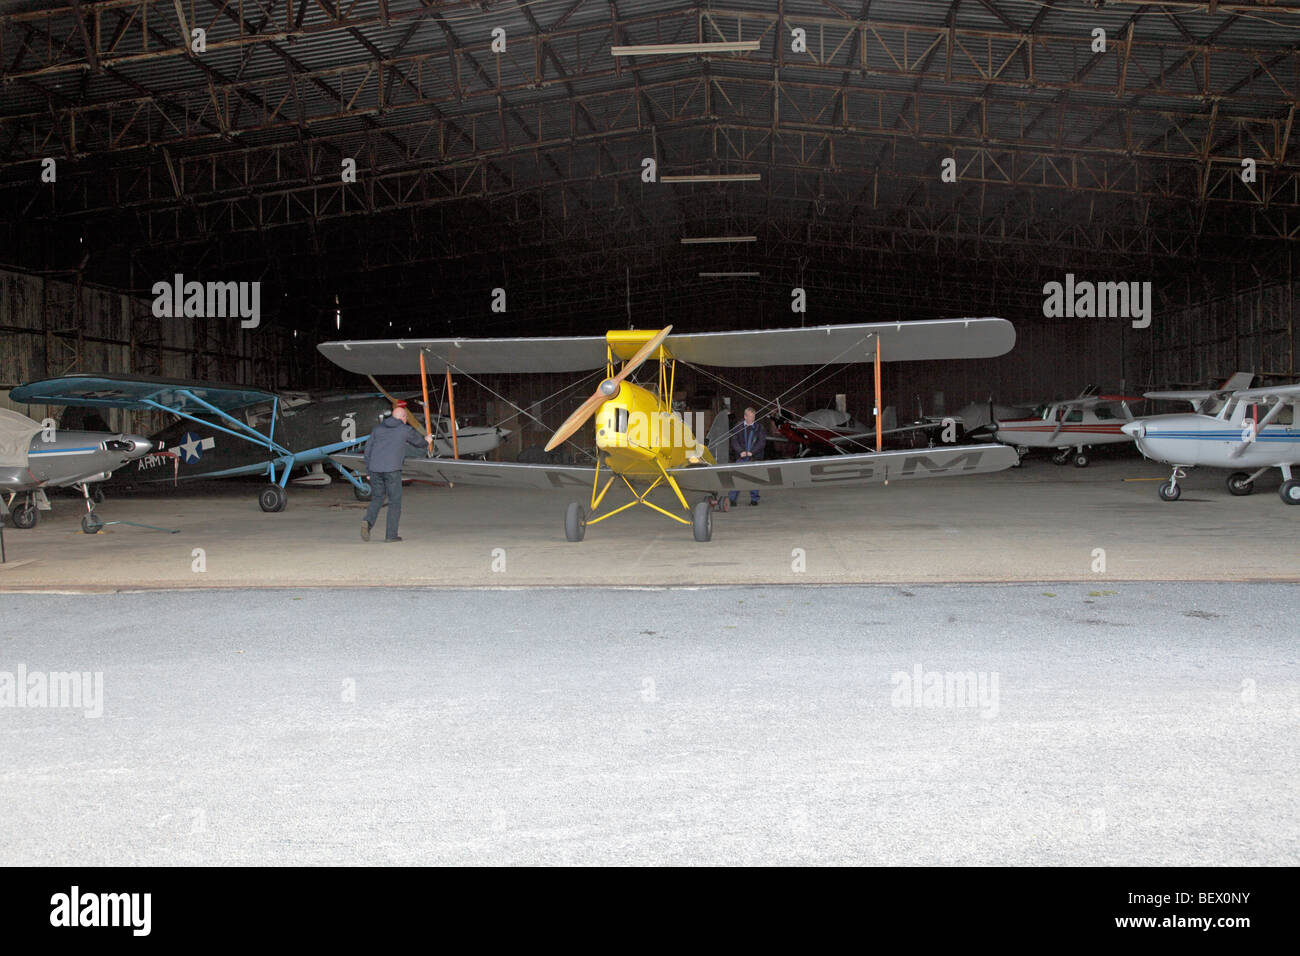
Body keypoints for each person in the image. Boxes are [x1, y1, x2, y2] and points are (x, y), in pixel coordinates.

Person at [361, 404, 432, 542]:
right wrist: (427, 440)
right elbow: (419, 443)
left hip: (375, 469)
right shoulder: (404, 429)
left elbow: (368, 451)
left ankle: (368, 521)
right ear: (403, 417)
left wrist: (368, 470)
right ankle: (391, 535)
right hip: (392, 470)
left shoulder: (377, 429)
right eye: (406, 418)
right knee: (395, 502)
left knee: (377, 498)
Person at [729, 406, 764, 507]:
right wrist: (740, 451)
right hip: (741, 457)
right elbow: (734, 441)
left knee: (754, 478)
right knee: (736, 477)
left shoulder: (759, 427)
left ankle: (754, 499)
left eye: (753, 417)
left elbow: (761, 442)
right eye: (750, 417)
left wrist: (752, 452)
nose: (752, 419)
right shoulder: (738, 427)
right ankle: (732, 499)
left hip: (754, 457)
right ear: (745, 416)